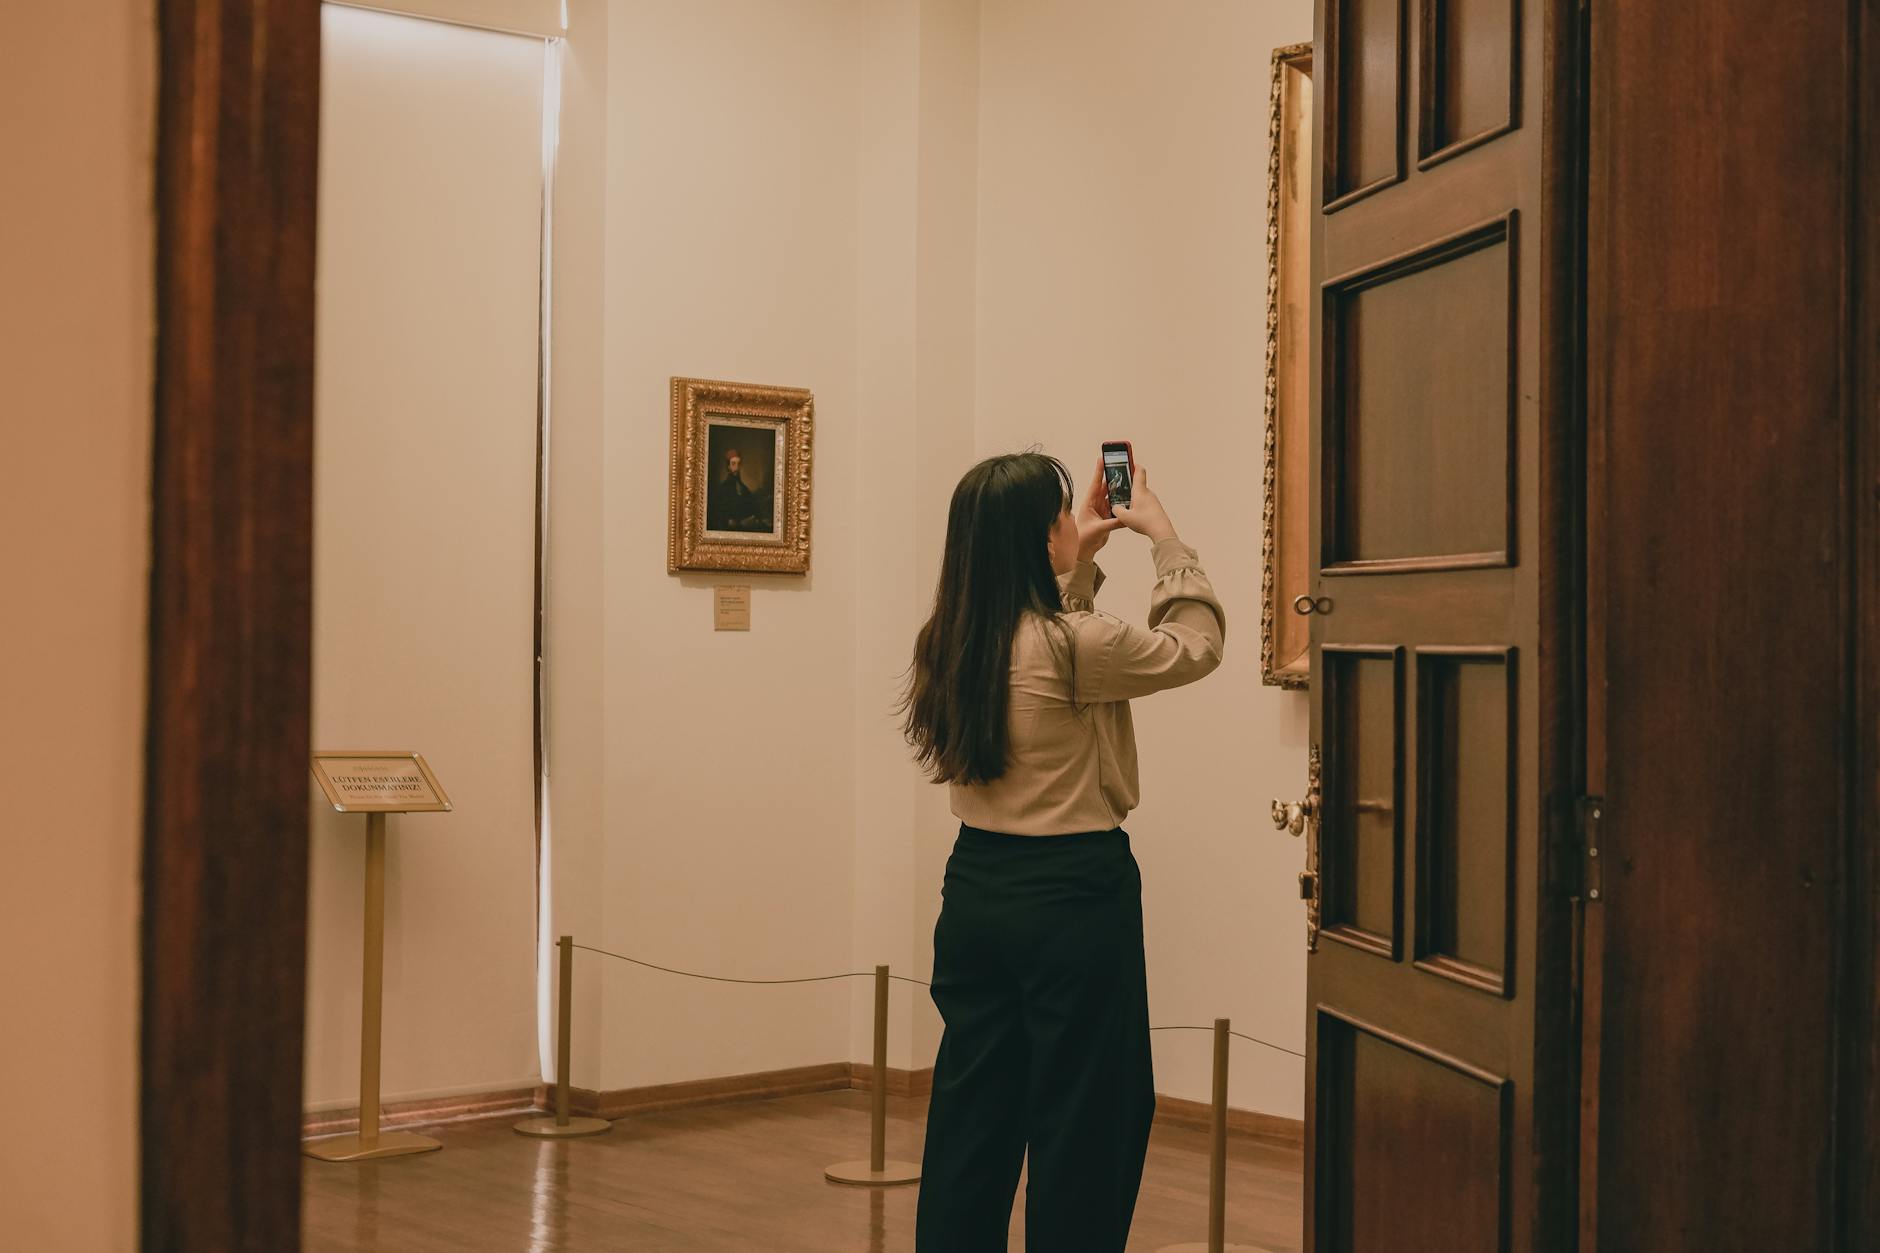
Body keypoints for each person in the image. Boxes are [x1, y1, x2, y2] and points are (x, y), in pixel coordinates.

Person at [900, 451, 1226, 1252]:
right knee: (1088, 1120)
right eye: (1057, 517)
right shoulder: (1079, 644)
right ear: (1033, 539)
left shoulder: (948, 640)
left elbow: (1052, 641)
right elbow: (1196, 643)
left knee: (974, 1121)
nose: (1067, 523)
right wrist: (1164, 538)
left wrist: (1073, 561)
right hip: (1073, 897)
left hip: (975, 889)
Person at [708, 445, 771, 532]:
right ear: (728, 467)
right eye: (733, 464)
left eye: (738, 464)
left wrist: (756, 518)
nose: (737, 468)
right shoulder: (723, 489)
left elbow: (753, 507)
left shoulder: (744, 488)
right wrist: (740, 523)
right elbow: (722, 518)